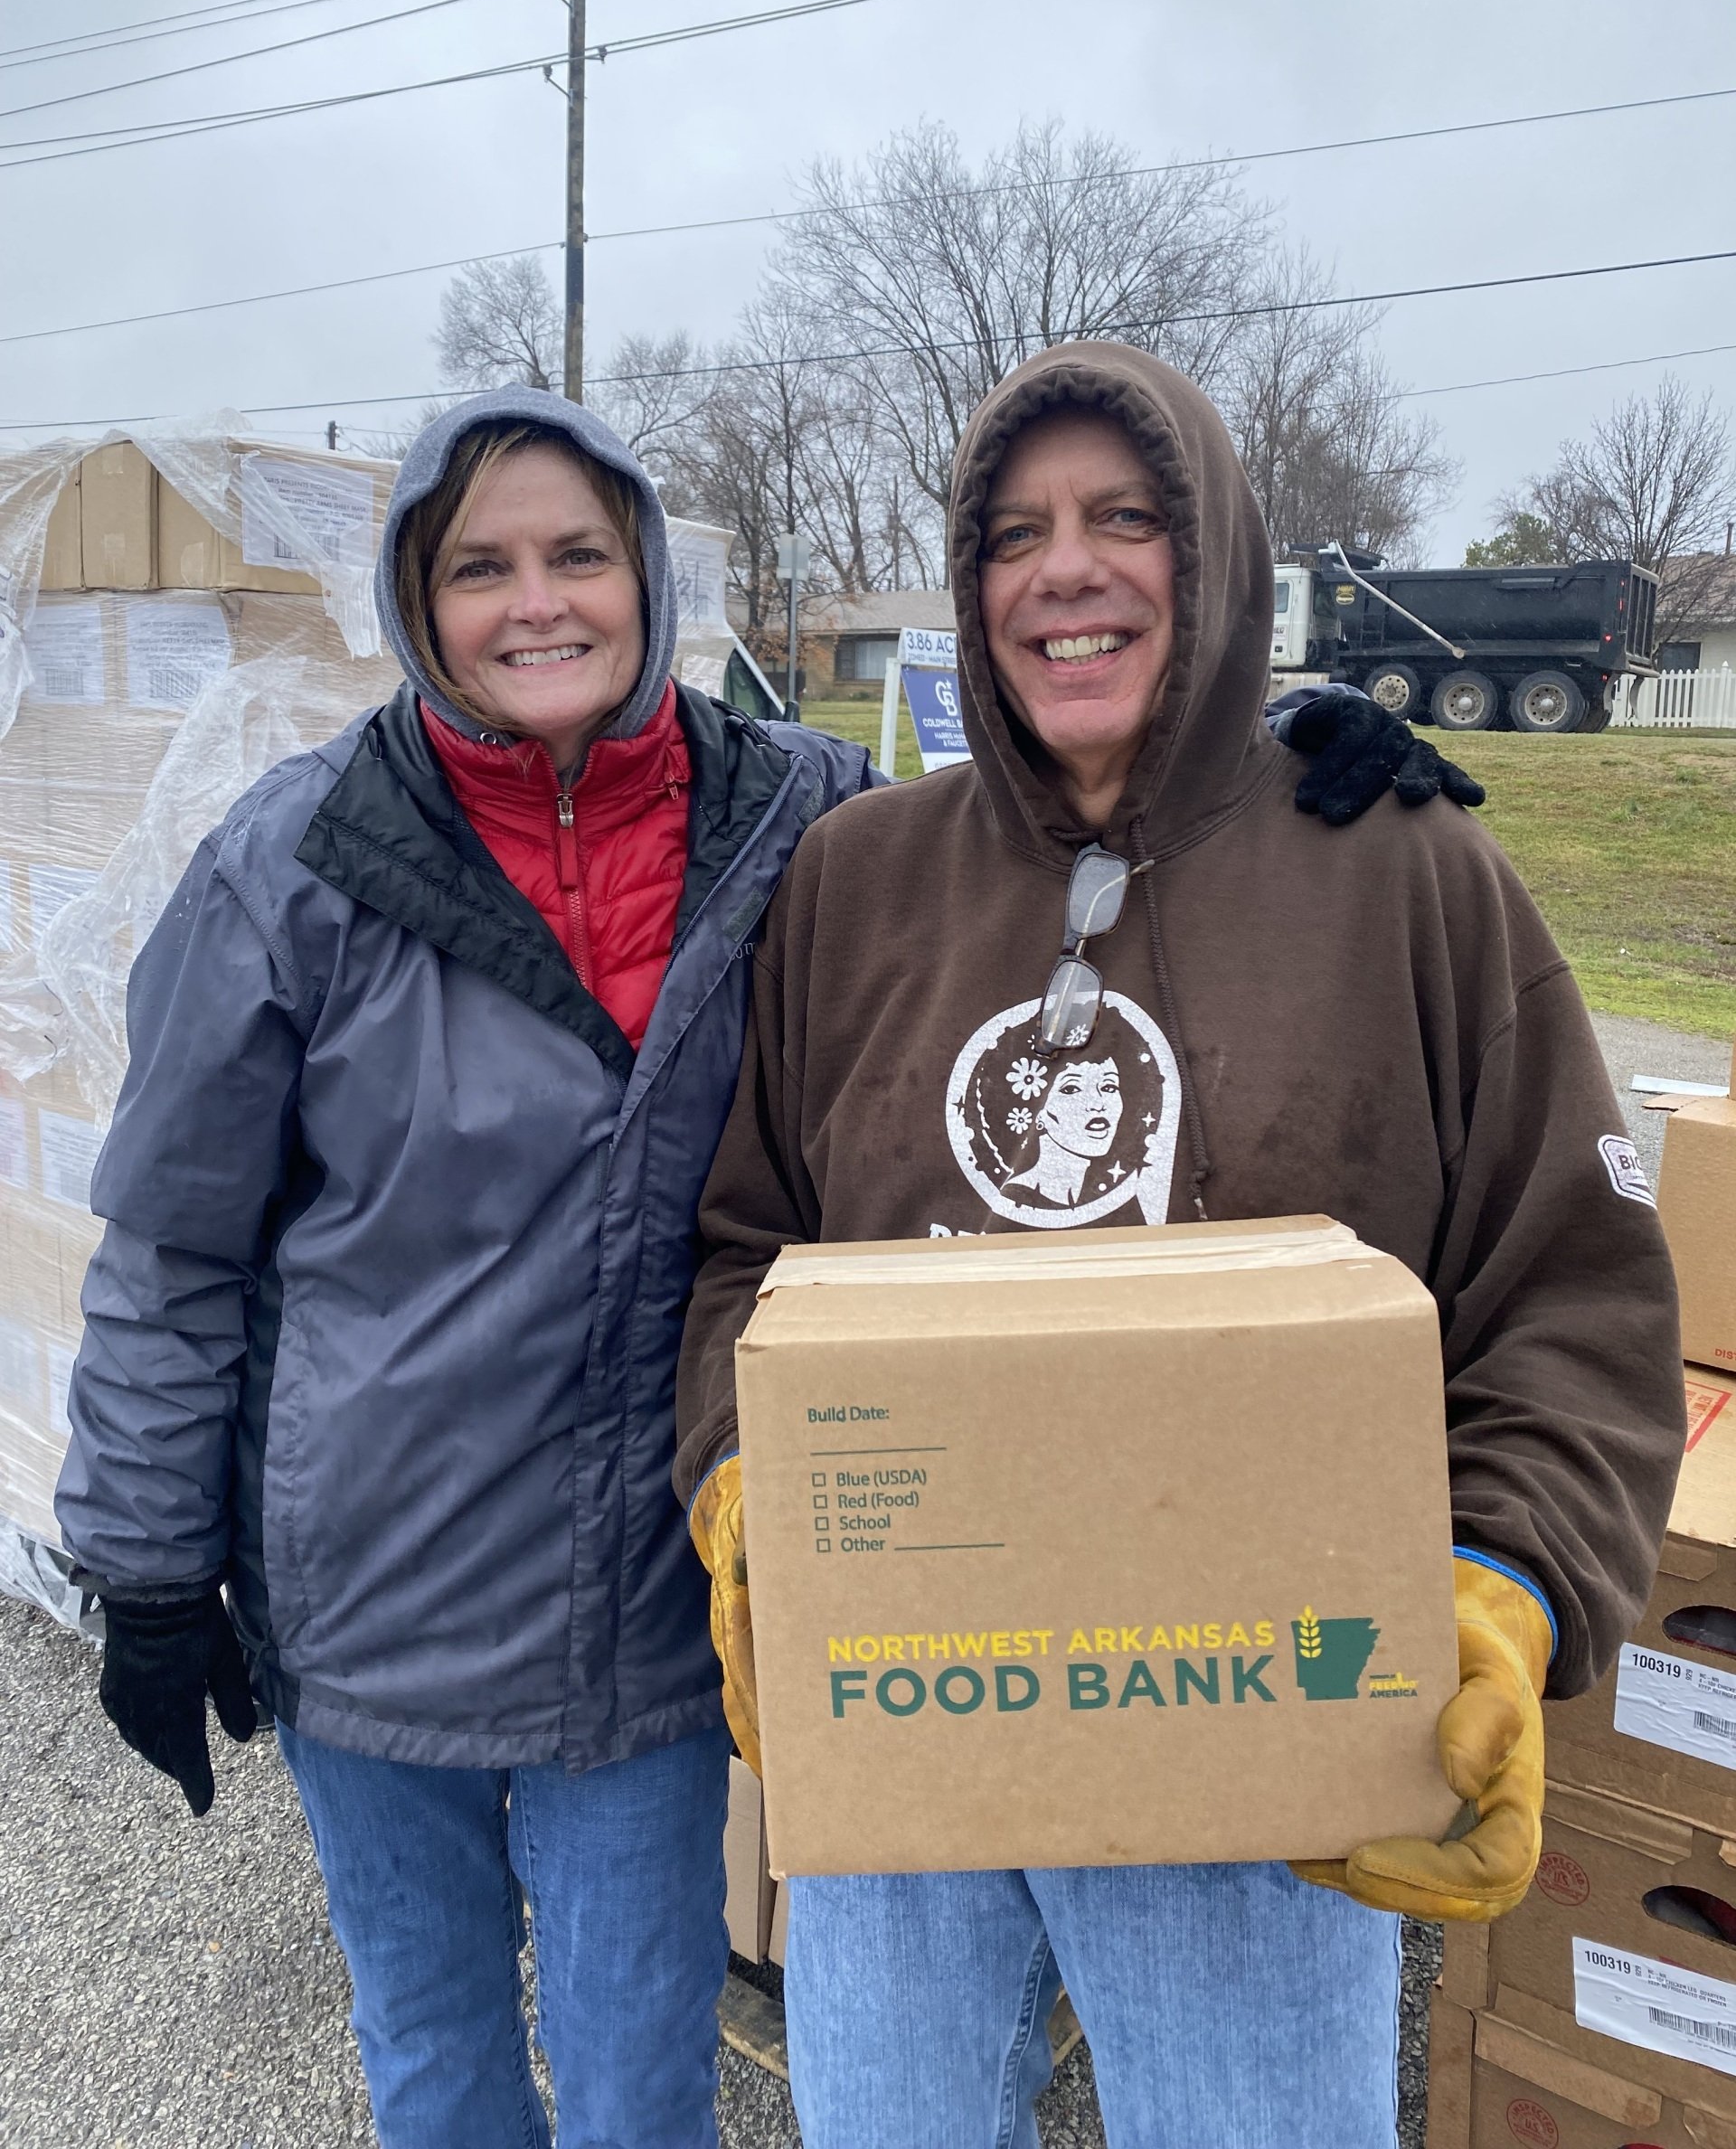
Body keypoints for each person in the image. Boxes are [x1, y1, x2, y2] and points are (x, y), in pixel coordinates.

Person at [55, 381, 1473, 2149]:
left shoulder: (798, 817)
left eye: (579, 554)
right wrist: (146, 1562)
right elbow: (173, 1245)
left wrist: (1260, 760)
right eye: (480, 566)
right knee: (431, 2046)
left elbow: (1043, 838)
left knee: (643, 2069)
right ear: (417, 600)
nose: (537, 603)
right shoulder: (296, 860)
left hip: (646, 1608)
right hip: (371, 1604)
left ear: (646, 575)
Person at [675, 342, 1684, 2148]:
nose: (1066, 569)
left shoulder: (1400, 869)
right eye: (1016, 533)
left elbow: (1571, 1293)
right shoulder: (858, 882)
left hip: (1261, 1735)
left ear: (1212, 556)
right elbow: (748, 1246)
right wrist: (747, 1483)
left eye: (1125, 518)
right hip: (914, 1714)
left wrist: (1503, 1584)